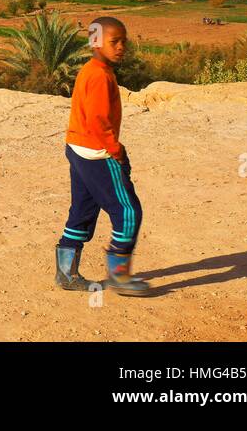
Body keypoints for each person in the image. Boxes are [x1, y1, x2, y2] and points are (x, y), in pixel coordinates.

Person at [54, 16, 151, 296]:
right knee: (128, 211)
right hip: (97, 154)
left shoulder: (92, 70)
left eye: (124, 41)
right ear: (95, 42)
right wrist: (118, 153)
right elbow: (99, 122)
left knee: (82, 212)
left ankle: (66, 273)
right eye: (114, 42)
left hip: (77, 148)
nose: (121, 47)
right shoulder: (98, 75)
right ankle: (120, 277)